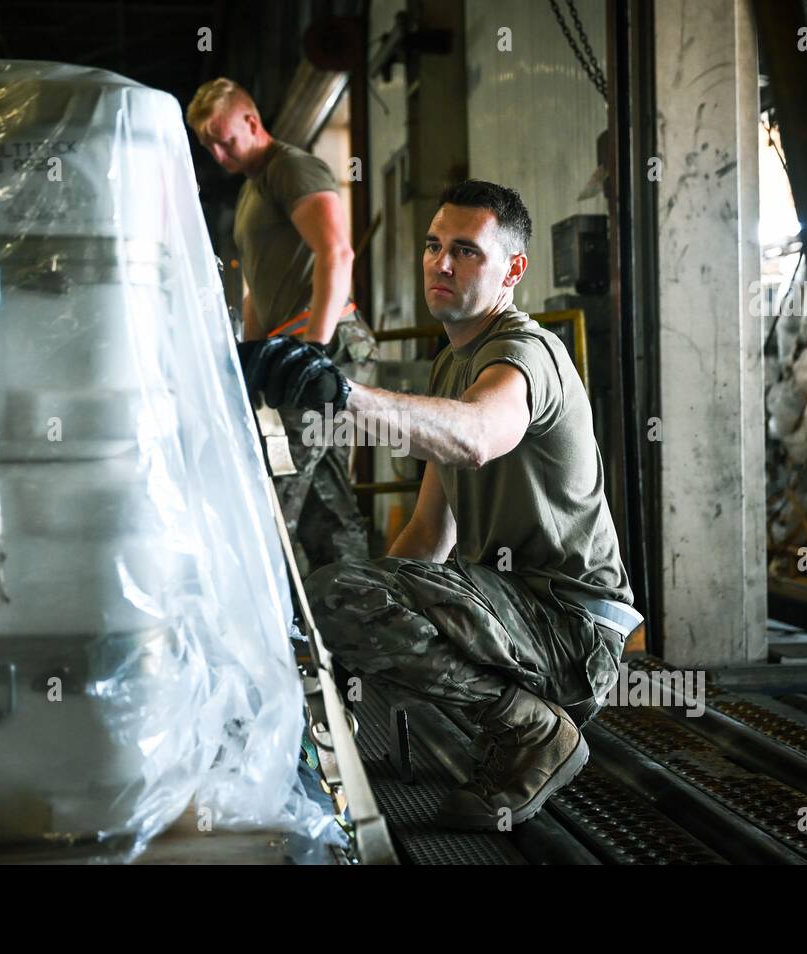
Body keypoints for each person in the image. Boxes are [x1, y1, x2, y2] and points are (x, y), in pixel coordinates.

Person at [236, 179, 640, 831]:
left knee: (336, 593)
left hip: (569, 627)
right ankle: (516, 720)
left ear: (513, 269)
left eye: (465, 251)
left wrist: (341, 393)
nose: (440, 264)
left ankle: (530, 730)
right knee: (334, 601)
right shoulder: (453, 365)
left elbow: (478, 435)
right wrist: (351, 645)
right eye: (432, 246)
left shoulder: (523, 353)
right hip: (510, 611)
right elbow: (428, 533)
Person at [186, 77, 376, 575]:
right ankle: (354, 612)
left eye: (223, 138)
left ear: (252, 121)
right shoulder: (252, 190)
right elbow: (254, 286)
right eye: (207, 143)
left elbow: (336, 251)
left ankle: (272, 623)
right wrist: (248, 358)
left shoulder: (290, 167)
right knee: (321, 498)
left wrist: (313, 347)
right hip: (289, 350)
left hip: (324, 347)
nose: (217, 152)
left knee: (274, 490)